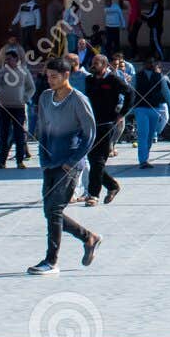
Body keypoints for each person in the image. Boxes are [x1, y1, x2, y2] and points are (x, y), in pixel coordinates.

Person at [27, 57, 100, 276]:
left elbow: (90, 134)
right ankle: (89, 237)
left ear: (66, 75)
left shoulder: (78, 100)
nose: (50, 81)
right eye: (48, 76)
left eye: (54, 77)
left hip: (69, 163)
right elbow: (42, 128)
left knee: (55, 209)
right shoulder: (46, 97)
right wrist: (42, 157)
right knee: (50, 211)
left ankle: (51, 261)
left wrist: (72, 161)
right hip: (50, 162)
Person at [81, 53, 129, 204]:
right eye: (92, 62)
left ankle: (93, 195)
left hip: (107, 124)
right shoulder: (89, 80)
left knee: (99, 159)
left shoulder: (113, 80)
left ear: (105, 65)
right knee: (93, 159)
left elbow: (130, 93)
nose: (93, 65)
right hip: (91, 123)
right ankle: (112, 185)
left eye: (97, 63)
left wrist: (122, 113)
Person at [0, 47, 33, 169]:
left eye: (9, 59)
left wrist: (24, 98)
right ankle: (2, 162)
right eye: (5, 59)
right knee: (3, 135)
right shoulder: (0, 72)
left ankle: (20, 161)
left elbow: (31, 87)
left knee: (19, 134)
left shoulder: (24, 71)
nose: (7, 61)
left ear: (16, 59)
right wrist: (0, 97)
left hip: (19, 107)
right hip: (4, 107)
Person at [131, 57, 170, 169]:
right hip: (141, 108)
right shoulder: (137, 76)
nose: (150, 64)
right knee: (143, 134)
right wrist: (130, 106)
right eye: (148, 62)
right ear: (144, 64)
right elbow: (132, 90)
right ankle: (143, 160)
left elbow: (165, 90)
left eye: (152, 62)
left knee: (150, 135)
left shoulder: (159, 77)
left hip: (155, 108)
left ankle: (146, 157)